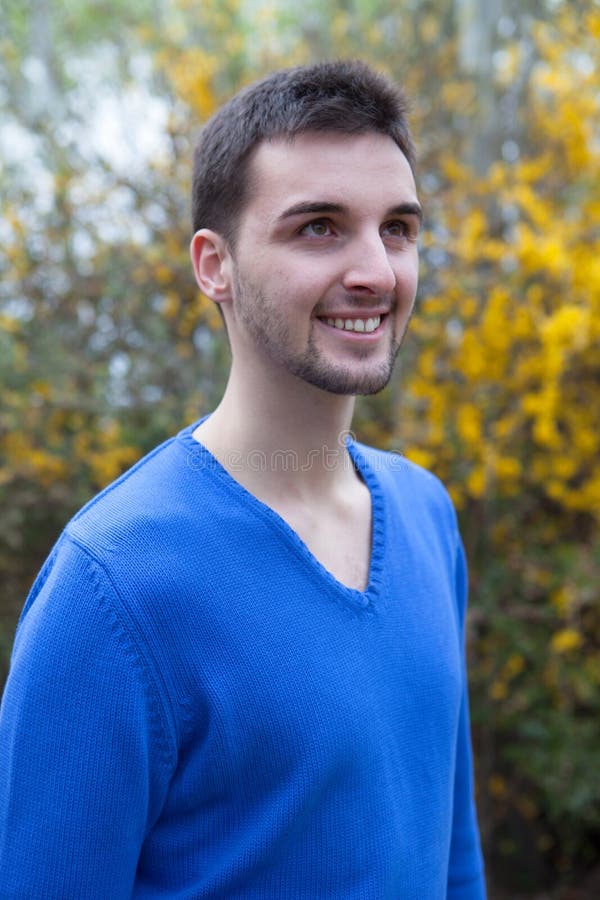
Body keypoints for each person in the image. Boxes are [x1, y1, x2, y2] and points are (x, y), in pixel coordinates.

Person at [0, 60, 486, 897]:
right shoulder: (113, 589)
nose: (377, 270)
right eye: (319, 228)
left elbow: (453, 862)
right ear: (213, 265)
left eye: (398, 228)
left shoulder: (424, 515)